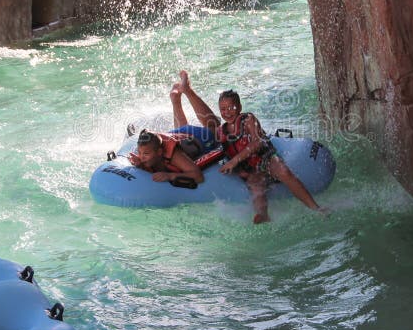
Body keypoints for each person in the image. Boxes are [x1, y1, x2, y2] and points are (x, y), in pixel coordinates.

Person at [173, 70, 327, 224]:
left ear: (239, 107)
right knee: (255, 184)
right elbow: (192, 137)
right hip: (248, 167)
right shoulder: (223, 131)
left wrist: (233, 161)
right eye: (223, 110)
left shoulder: (247, 119)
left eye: (231, 108)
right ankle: (262, 215)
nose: (227, 112)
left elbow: (258, 141)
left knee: (283, 170)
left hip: (265, 158)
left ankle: (315, 207)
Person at [128, 129, 205, 184]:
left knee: (211, 128)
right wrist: (139, 165)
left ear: (159, 152)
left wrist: (170, 176)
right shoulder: (145, 148)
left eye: (146, 154)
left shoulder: (174, 155)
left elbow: (199, 177)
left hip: (198, 135)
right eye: (139, 153)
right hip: (173, 134)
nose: (141, 157)